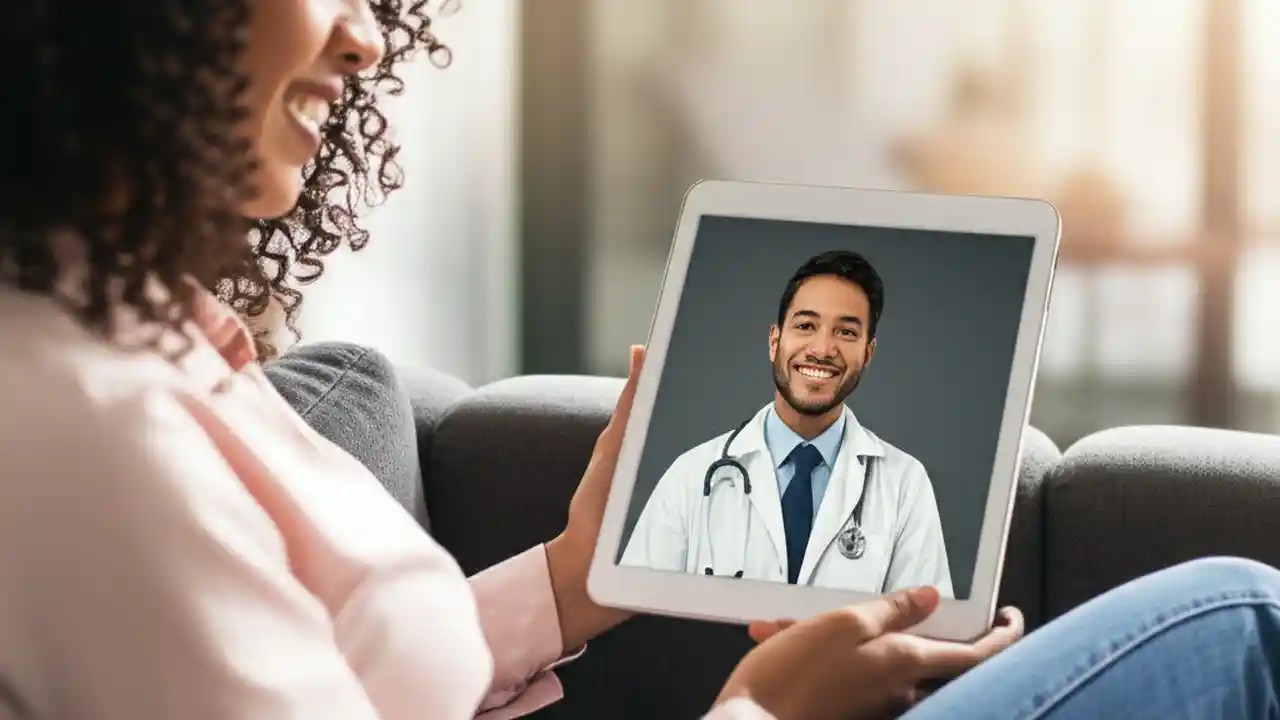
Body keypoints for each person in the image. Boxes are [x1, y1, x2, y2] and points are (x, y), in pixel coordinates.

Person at [1, 2, 1279, 719]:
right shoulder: (79, 434)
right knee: (1237, 617)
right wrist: (768, 717)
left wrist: (570, 579)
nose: (364, 36)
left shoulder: (148, 340)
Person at [622, 250, 952, 597]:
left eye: (845, 332)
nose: (823, 349)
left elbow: (923, 632)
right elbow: (636, 617)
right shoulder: (689, 475)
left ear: (867, 354)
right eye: (806, 326)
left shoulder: (905, 484)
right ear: (774, 341)